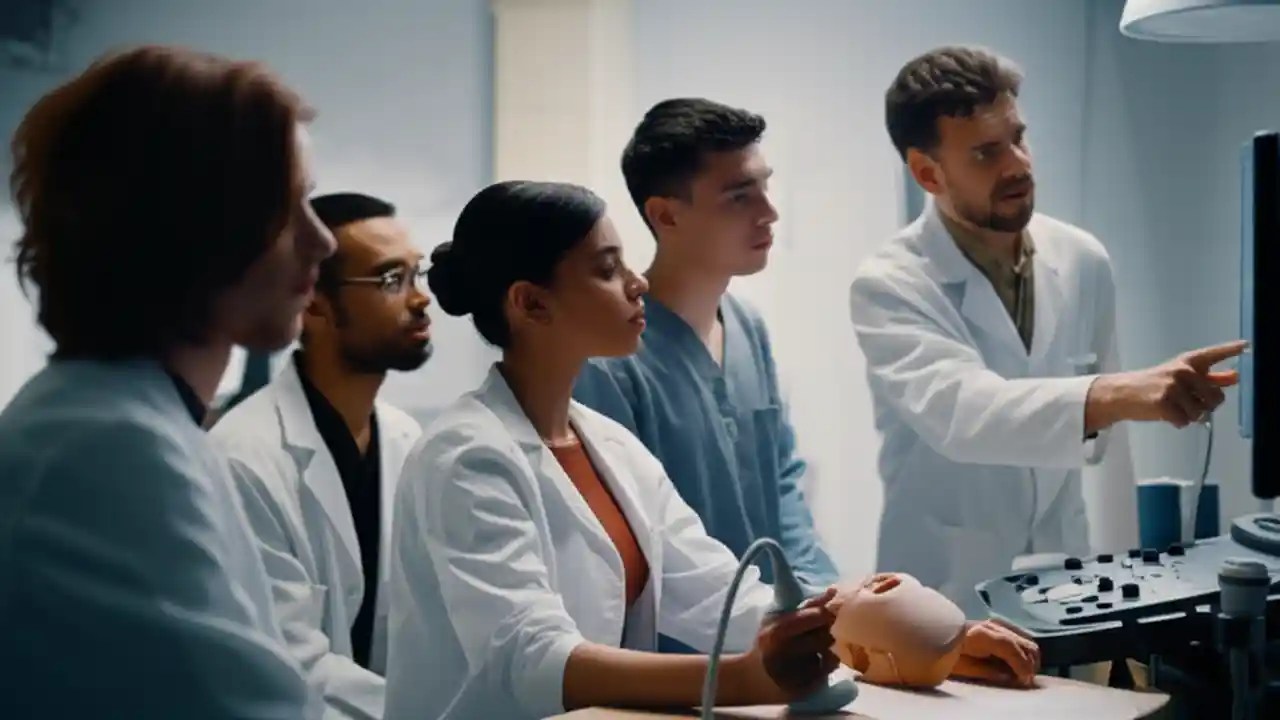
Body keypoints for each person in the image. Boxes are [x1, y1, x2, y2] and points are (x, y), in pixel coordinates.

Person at [383, 181, 1040, 720]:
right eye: (607, 270)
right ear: (531, 302)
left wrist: (910, 638)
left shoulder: (610, 447)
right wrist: (744, 680)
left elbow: (725, 599)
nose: (637, 285)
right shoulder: (465, 458)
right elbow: (530, 662)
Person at [849, 45, 1245, 618]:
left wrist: (1135, 593)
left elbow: (1113, 457)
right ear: (927, 172)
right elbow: (962, 412)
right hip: (945, 597)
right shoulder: (890, 283)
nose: (1018, 164)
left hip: (1072, 578)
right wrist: (1117, 394)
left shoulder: (1082, 258)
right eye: (987, 153)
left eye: (1018, 137)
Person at [0, 45, 335, 718]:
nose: (322, 241)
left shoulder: (123, 422)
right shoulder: (108, 451)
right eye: (287, 207)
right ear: (195, 220)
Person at [572, 99, 838, 607]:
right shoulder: (610, 359)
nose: (769, 212)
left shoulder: (747, 328)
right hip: (686, 658)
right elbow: (628, 541)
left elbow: (782, 480)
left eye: (765, 186)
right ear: (666, 215)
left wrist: (816, 594)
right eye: (740, 197)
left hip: (780, 633)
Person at [212, 192, 430, 719]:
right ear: (313, 303)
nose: (421, 299)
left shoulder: (406, 439)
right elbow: (289, 662)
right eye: (390, 279)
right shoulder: (243, 457)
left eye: (417, 274)